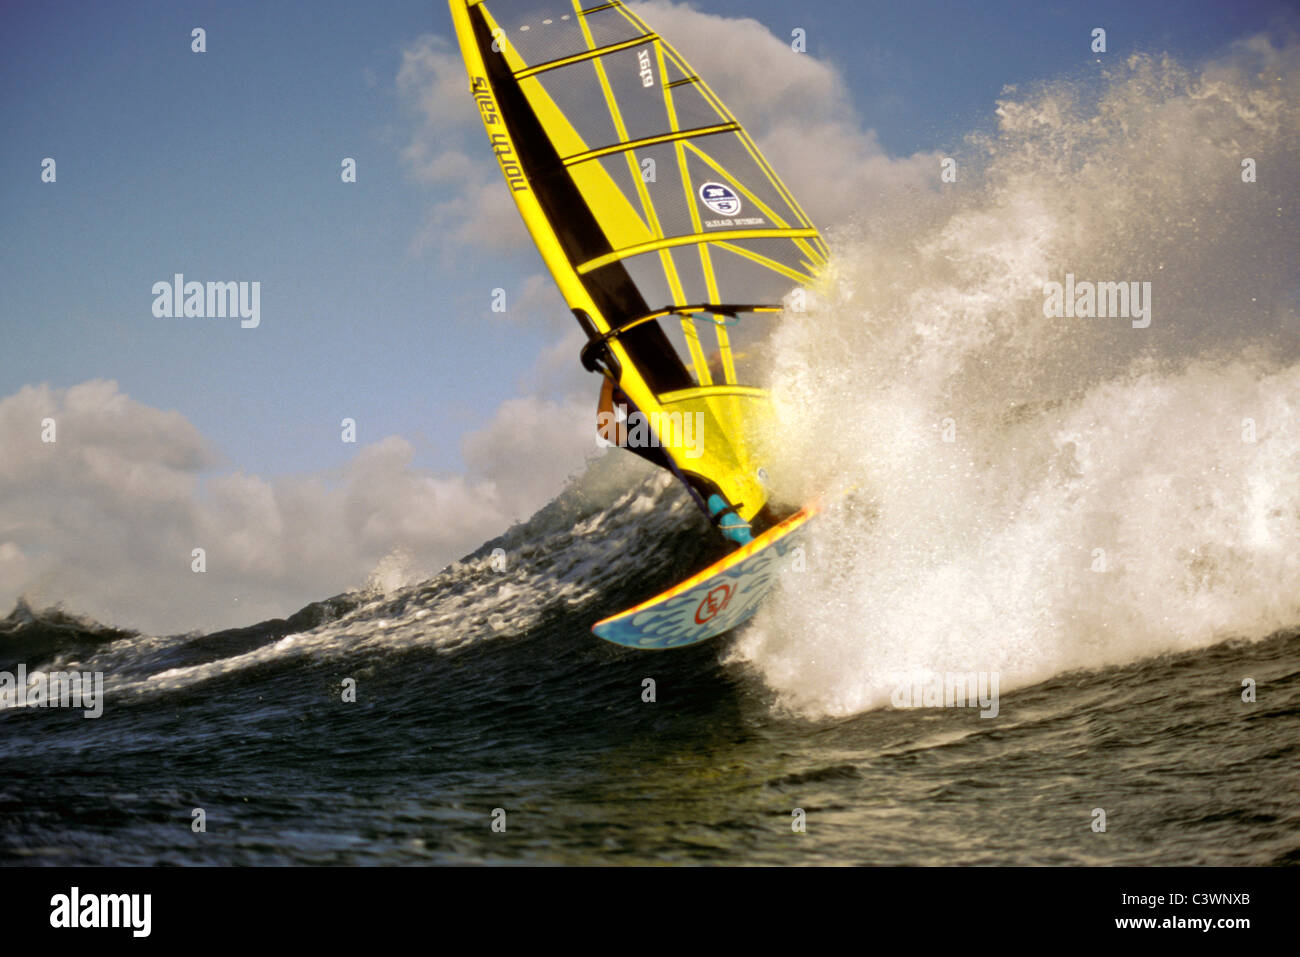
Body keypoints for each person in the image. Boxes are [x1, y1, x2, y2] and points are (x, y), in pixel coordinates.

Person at [596, 377, 753, 546]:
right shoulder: (641, 434)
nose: (627, 405)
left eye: (627, 397)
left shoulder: (673, 409)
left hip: (736, 472)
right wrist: (606, 387)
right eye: (620, 401)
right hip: (714, 494)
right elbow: (606, 429)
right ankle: (744, 538)